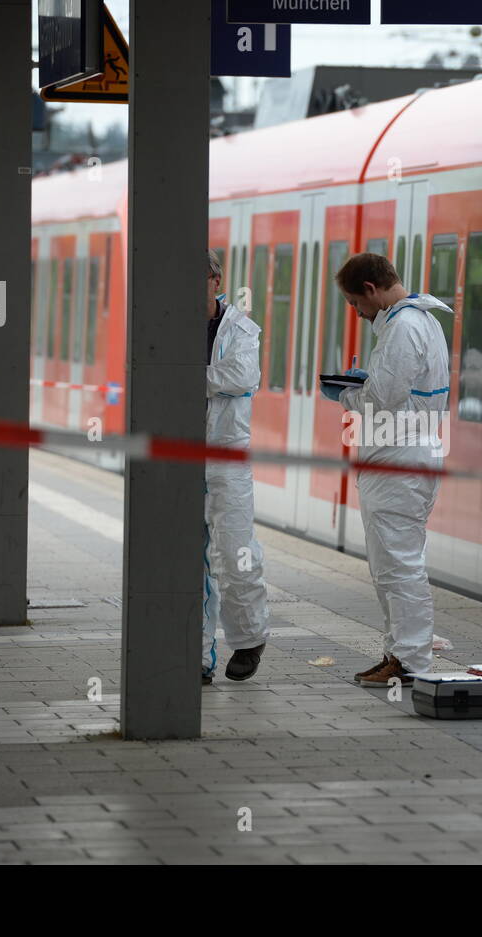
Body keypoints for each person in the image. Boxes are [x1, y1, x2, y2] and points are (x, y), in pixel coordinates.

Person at [322, 252, 450, 687]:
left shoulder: (402, 328)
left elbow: (382, 399)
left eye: (356, 302)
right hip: (413, 453)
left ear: (372, 290)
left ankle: (410, 661)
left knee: (398, 565)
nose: (356, 312)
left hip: (399, 458)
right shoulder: (425, 321)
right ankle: (400, 651)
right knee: (396, 562)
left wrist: (344, 393)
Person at [202, 249, 270, 683]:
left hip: (227, 457)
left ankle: (248, 638)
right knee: (187, 561)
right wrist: (210, 375)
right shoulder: (164, 326)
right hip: (178, 456)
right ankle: (197, 657)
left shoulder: (242, 329)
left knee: (234, 553)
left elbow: (242, 376)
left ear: (216, 279)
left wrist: (184, 374)